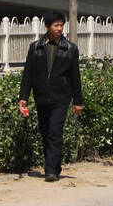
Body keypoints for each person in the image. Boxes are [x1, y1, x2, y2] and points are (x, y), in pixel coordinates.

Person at [18, 10, 83, 182]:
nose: (59, 29)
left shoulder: (70, 49)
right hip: (41, 97)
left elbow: (75, 77)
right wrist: (23, 96)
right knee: (45, 132)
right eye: (56, 25)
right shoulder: (35, 48)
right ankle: (54, 165)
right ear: (47, 26)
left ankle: (50, 170)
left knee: (55, 132)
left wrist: (78, 101)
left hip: (61, 98)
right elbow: (28, 74)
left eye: (61, 25)